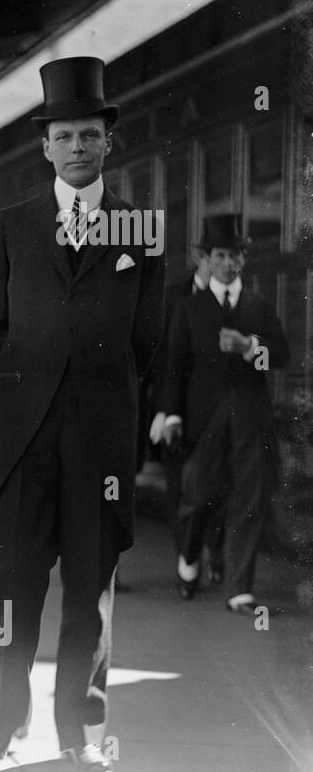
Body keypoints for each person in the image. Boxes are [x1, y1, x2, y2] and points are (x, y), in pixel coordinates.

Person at [0, 56, 164, 772]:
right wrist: (35, 388)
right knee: (14, 586)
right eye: (66, 135)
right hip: (24, 439)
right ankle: (4, 720)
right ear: (45, 146)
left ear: (108, 142)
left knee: (90, 589)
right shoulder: (13, 224)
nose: (79, 146)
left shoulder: (139, 228)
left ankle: (78, 733)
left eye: (90, 133)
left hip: (100, 439)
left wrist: (99, 398)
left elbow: (146, 337)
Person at [159, 215, 289, 613]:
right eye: (220, 255)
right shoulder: (188, 308)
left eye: (235, 256)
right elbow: (174, 366)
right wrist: (171, 415)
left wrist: (251, 346)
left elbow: (281, 356)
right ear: (206, 259)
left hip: (250, 414)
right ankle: (189, 555)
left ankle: (239, 589)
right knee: (196, 495)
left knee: (248, 497)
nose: (228, 263)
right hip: (203, 416)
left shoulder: (258, 307)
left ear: (243, 260)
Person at [149, 251, 224, 592]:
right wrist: (163, 411)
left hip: (218, 412)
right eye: (217, 258)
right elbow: (159, 358)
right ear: (200, 258)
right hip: (175, 408)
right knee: (180, 487)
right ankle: (188, 562)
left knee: (216, 486)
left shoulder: (234, 299)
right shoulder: (169, 298)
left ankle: (214, 552)